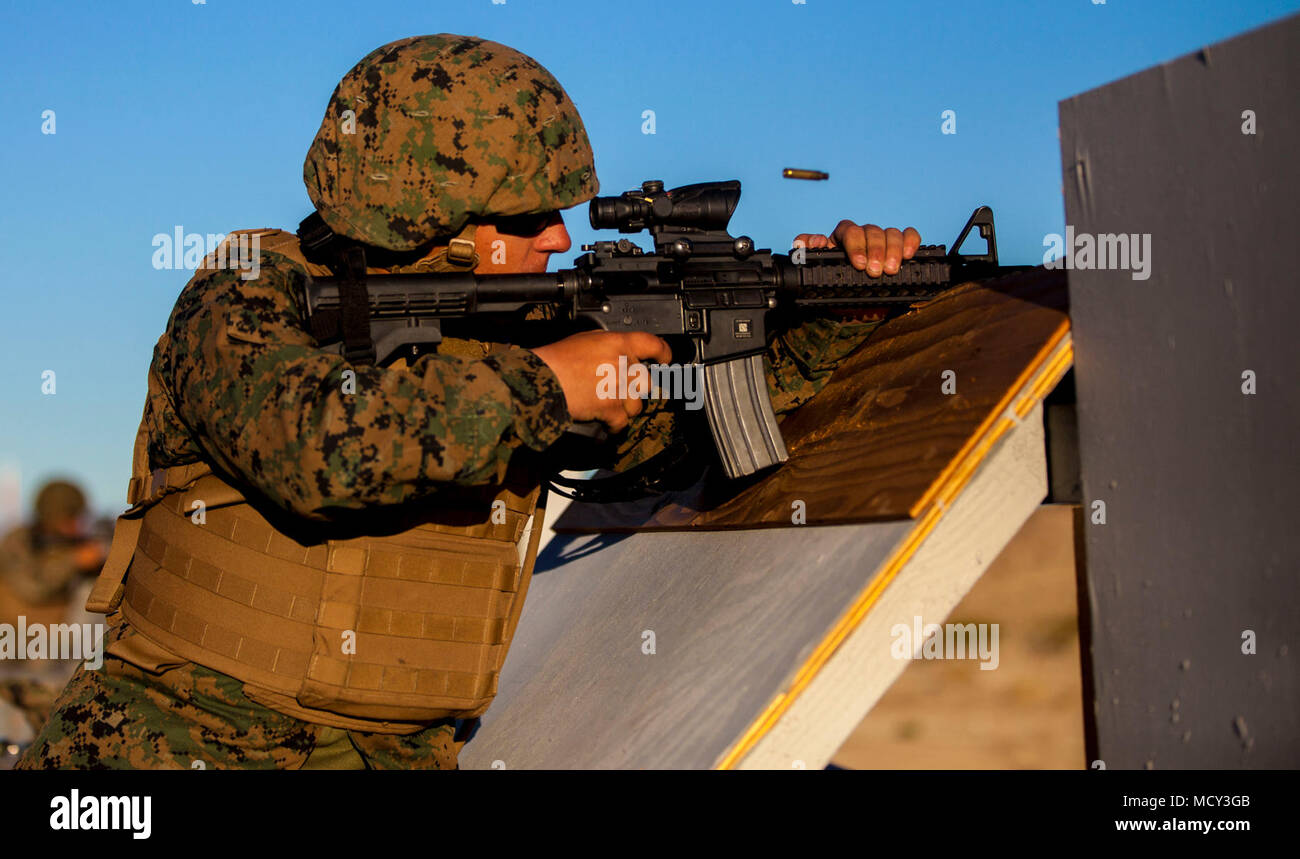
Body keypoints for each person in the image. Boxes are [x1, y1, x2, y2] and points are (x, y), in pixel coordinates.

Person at [18, 34, 921, 770]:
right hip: (169, 750)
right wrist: (546, 384)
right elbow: (317, 447)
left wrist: (833, 304)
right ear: (426, 215)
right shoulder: (247, 294)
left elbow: (700, 440)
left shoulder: (527, 330)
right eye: (526, 219)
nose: (558, 236)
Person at [0, 479, 106, 758]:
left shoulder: (75, 544)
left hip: (54, 657)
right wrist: (75, 561)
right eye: (70, 518)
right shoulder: (18, 541)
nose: (76, 525)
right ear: (52, 515)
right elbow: (31, 585)